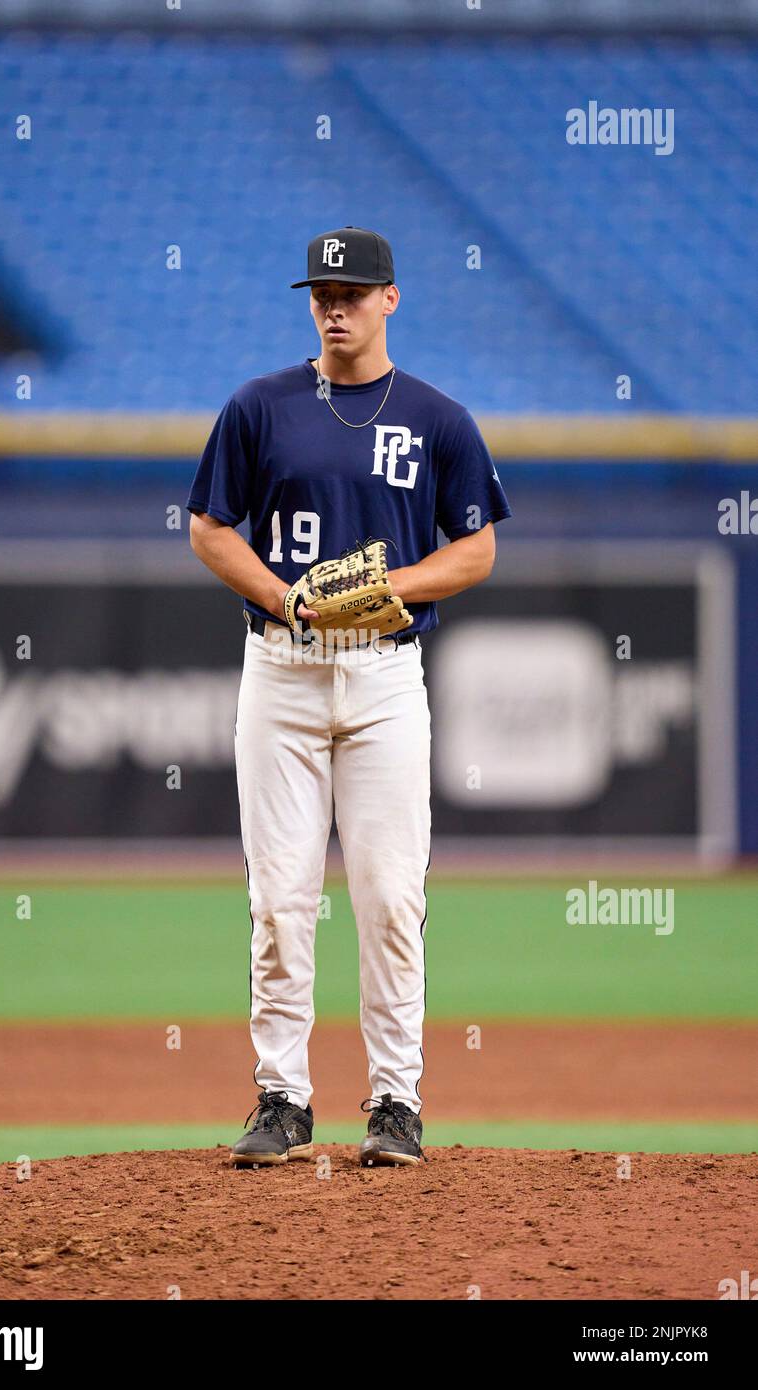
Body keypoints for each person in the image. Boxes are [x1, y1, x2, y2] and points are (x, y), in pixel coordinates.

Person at [187, 226, 511, 1167]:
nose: (335, 304)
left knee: (387, 893)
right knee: (281, 897)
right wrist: (285, 595)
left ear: (391, 299)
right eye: (322, 291)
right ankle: (283, 1098)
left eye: (353, 290)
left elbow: (479, 547)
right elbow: (210, 529)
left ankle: (395, 1104)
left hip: (383, 675)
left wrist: (395, 587)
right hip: (281, 670)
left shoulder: (439, 418)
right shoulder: (260, 406)